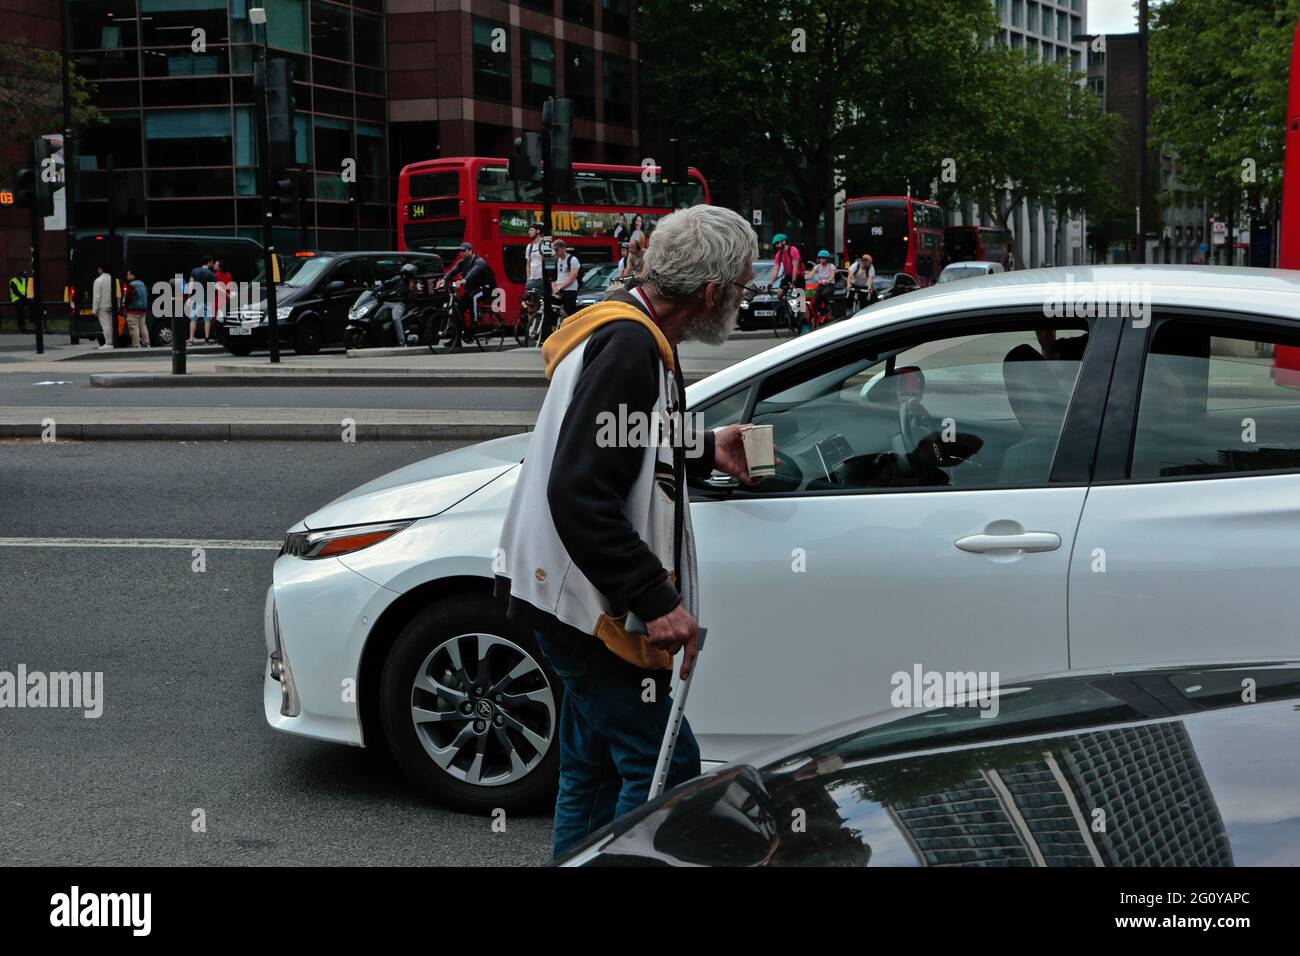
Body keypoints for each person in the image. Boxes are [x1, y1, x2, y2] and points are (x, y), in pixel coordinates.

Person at [493, 204, 759, 858]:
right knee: (666, 764)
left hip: (556, 592)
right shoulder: (632, 346)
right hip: (581, 603)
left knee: (593, 758)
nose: (740, 300)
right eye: (741, 288)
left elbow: (616, 439)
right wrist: (657, 600)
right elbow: (580, 490)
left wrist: (701, 445)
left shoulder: (625, 324)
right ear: (710, 292)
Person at [437, 242, 496, 332]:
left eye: (464, 251)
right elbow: (453, 271)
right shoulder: (461, 262)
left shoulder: (479, 262)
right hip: (471, 289)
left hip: (484, 288)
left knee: (473, 297)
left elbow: (473, 273)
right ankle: (457, 339)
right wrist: (443, 280)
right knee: (458, 311)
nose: (461, 253)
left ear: (470, 251)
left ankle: (474, 324)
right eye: (460, 251)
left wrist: (463, 281)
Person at [377, 262, 419, 346]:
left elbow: (411, 300)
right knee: (376, 316)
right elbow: (386, 284)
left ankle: (402, 342)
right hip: (388, 302)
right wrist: (375, 290)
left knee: (396, 318)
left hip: (400, 304)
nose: (404, 277)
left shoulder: (413, 284)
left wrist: (411, 289)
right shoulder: (398, 279)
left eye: (406, 275)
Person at [186, 254, 216, 345]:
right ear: (209, 262)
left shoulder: (194, 271)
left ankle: (191, 339)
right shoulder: (210, 274)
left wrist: (189, 297)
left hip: (195, 298)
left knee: (193, 319)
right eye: (212, 262)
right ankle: (206, 340)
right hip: (207, 299)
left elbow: (190, 285)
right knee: (207, 320)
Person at [551, 239, 581, 318]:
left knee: (570, 312)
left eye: (557, 250)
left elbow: (572, 278)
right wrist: (554, 287)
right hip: (559, 289)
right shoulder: (557, 260)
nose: (555, 252)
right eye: (554, 250)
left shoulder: (573, 260)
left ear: (563, 248)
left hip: (570, 289)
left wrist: (560, 287)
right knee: (553, 310)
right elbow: (553, 276)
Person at [123, 267, 151, 348]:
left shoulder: (131, 285)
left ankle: (136, 344)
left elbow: (128, 297)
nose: (127, 276)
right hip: (143, 309)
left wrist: (125, 306)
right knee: (143, 326)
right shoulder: (142, 284)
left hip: (133, 309)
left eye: (128, 275)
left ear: (133, 275)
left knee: (133, 327)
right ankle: (146, 342)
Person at [809, 250, 836, 323]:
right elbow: (810, 275)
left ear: (827, 259)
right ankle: (821, 311)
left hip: (829, 285)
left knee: (824, 294)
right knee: (814, 301)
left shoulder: (831, 266)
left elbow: (832, 276)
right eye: (820, 258)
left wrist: (828, 281)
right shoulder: (817, 266)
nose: (822, 260)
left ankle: (826, 309)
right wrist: (803, 277)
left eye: (824, 258)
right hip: (821, 285)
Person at [92, 263, 114, 349]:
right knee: (111, 323)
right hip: (111, 305)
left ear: (101, 269)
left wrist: (95, 309)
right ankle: (113, 340)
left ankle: (108, 342)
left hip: (102, 305)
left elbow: (97, 296)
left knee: (105, 325)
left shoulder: (98, 281)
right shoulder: (112, 279)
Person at [212, 258, 235, 340]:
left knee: (217, 319)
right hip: (226, 300)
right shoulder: (229, 275)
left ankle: (217, 336)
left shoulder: (215, 275)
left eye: (216, 264)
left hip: (217, 299)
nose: (214, 265)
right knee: (224, 318)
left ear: (220, 267)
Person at [523, 222, 545, 309]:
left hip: (541, 280)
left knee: (542, 306)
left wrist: (544, 277)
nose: (529, 232)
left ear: (538, 231)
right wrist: (528, 278)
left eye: (531, 230)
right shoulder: (529, 246)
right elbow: (528, 264)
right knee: (530, 306)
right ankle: (531, 322)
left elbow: (547, 261)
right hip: (532, 280)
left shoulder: (544, 244)